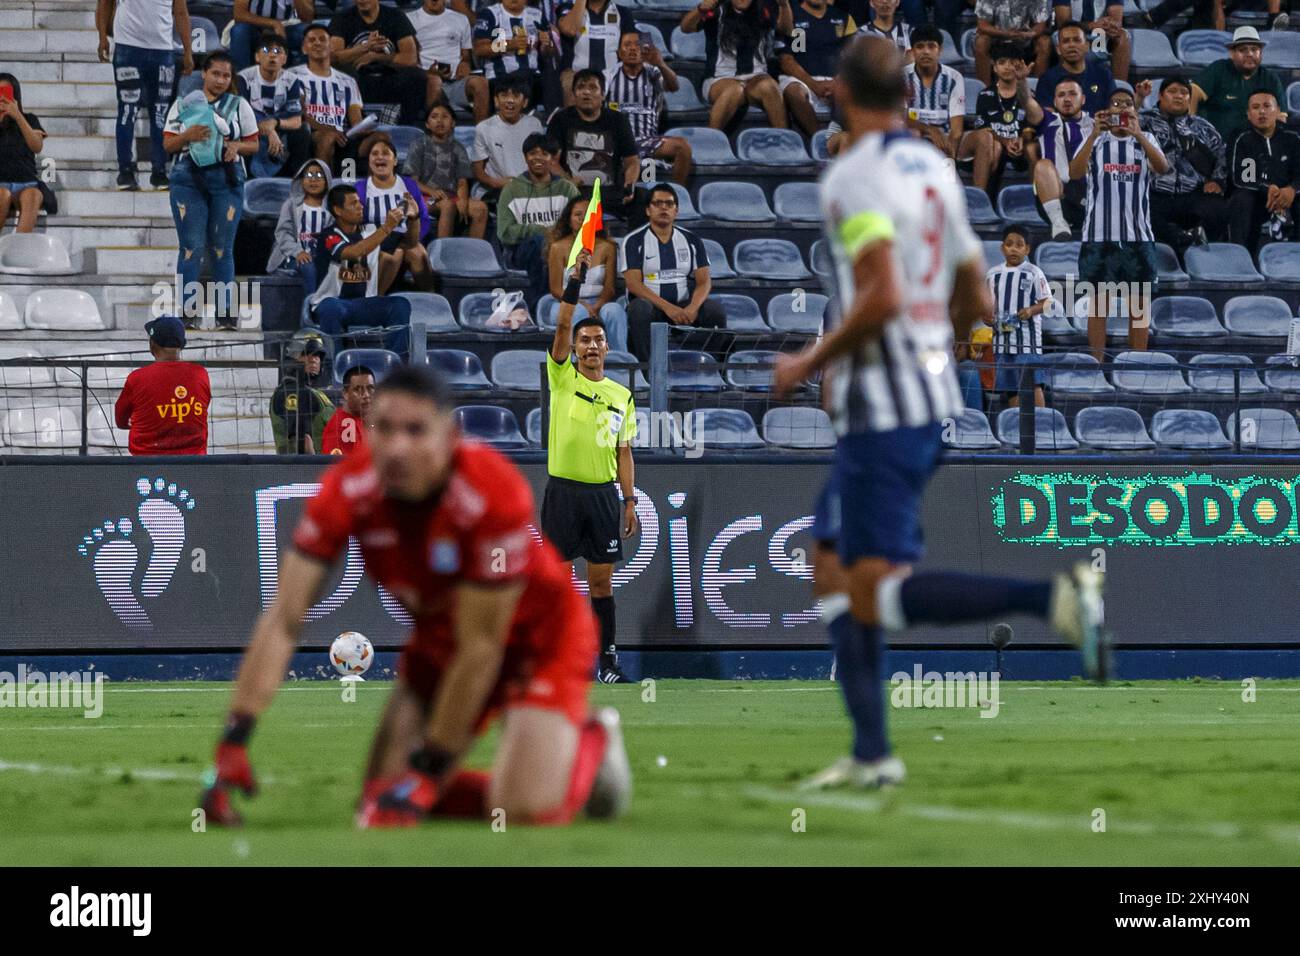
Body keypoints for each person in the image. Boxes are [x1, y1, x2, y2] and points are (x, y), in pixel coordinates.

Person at [772, 37, 1108, 791]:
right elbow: (978, 301)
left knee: (876, 591)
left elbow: (882, 293)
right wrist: (937, 340)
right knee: (831, 568)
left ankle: (1049, 597)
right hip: (929, 398)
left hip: (882, 411)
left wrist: (808, 361)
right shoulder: (934, 168)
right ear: (904, 96)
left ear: (838, 94)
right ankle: (870, 755)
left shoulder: (852, 178)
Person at [199, 363, 632, 829]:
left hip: (538, 643)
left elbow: (483, 648)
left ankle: (591, 741)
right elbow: (285, 617)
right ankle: (490, 778)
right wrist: (234, 737)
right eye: (384, 429)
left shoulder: (490, 489)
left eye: (415, 430)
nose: (397, 447)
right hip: (444, 641)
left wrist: (428, 771)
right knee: (379, 801)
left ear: (450, 436)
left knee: (522, 810)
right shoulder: (349, 487)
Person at [542, 249, 639, 683]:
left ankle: (607, 663)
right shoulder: (563, 377)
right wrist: (575, 284)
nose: (592, 345)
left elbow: (624, 452)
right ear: (575, 348)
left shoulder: (623, 395)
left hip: (603, 496)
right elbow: (563, 322)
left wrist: (630, 501)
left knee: (600, 585)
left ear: (607, 346)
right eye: (585, 340)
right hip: (562, 492)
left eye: (598, 340)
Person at [1068, 86, 1169, 361]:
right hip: (1099, 236)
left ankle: (1138, 365)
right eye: (1116, 103)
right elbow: (1074, 172)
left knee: (1138, 306)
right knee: (1098, 306)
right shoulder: (1097, 140)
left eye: (1128, 103)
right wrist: (1093, 134)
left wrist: (1138, 134)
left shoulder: (1146, 138)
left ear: (1135, 110)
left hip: (1138, 236)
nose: (1122, 108)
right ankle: (1096, 365)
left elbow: (1163, 168)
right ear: (1107, 111)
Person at [163, 52, 260, 331]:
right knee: (191, 248)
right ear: (203, 74)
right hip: (188, 178)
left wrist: (236, 147)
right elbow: (168, 145)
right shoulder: (183, 105)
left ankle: (226, 315)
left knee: (221, 249)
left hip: (227, 178)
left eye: (226, 75)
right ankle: (187, 313)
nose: (220, 80)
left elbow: (253, 144)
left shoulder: (239, 105)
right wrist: (186, 137)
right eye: (215, 73)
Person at [621, 182, 727, 362]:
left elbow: (704, 281)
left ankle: (710, 367)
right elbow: (633, 284)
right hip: (652, 306)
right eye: (658, 203)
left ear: (676, 211)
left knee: (714, 311)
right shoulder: (633, 241)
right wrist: (668, 308)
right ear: (648, 210)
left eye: (669, 204)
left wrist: (692, 308)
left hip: (683, 305)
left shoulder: (691, 240)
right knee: (638, 309)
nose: (664, 208)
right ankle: (647, 370)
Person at [97, 0, 193, 191]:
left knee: (159, 114)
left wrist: (188, 50)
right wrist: (102, 37)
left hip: (161, 49)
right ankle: (125, 170)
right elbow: (105, 3)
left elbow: (181, 12)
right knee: (128, 110)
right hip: (129, 47)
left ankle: (158, 171)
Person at [309, 183, 414, 356]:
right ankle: (336, 366)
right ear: (338, 210)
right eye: (354, 204)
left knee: (400, 305)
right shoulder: (329, 235)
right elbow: (354, 253)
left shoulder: (372, 230)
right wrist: (387, 227)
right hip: (334, 302)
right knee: (330, 308)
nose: (360, 206)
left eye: (360, 202)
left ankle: (395, 366)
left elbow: (411, 242)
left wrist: (414, 218)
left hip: (365, 304)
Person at [1140, 76, 1229, 253]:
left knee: (1219, 210)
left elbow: (1221, 154)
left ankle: (1196, 251)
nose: (1179, 96)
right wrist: (1137, 100)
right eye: (1172, 92)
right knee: (1137, 212)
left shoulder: (1202, 126)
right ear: (1160, 96)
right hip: (1154, 192)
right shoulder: (1143, 122)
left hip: (1192, 193)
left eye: (1184, 93)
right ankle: (1183, 239)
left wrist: (1217, 180)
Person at [681, 0, 793, 131]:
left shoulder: (763, 9)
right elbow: (685, 27)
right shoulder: (717, 10)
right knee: (735, 90)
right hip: (718, 78)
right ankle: (710, 141)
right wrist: (701, 9)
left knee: (771, 88)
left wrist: (783, 5)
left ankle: (785, 143)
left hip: (756, 76)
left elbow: (787, 30)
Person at [497, 133, 580, 304]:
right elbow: (504, 233)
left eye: (544, 153)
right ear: (525, 157)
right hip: (522, 251)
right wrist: (539, 229)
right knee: (538, 242)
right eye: (533, 153)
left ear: (552, 158)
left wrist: (555, 236)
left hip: (562, 248)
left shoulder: (567, 189)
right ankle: (543, 302)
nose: (538, 158)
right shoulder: (511, 190)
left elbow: (583, 222)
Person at [605, 30, 692, 187]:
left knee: (682, 147)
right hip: (617, 142)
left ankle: (679, 195)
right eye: (627, 45)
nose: (632, 49)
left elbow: (673, 86)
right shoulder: (609, 74)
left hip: (648, 142)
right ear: (619, 52)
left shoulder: (654, 72)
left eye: (637, 45)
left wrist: (660, 63)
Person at [547, 69, 639, 216]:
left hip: (609, 193)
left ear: (603, 95)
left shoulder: (618, 120)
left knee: (646, 199)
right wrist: (568, 182)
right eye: (581, 87)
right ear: (574, 94)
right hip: (573, 193)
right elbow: (551, 161)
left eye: (592, 87)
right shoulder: (560, 120)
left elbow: (632, 161)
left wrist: (629, 185)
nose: (586, 92)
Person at [114, 316, 211, 455]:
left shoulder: (137, 378)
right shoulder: (200, 374)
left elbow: (120, 420)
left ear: (152, 344)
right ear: (182, 344)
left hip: (147, 464)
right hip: (193, 465)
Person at [545, 195, 628, 351]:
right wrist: (582, 304)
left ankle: (620, 363)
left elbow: (609, 288)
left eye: (589, 215)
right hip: (566, 302)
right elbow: (556, 289)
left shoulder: (608, 247)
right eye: (578, 215)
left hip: (599, 302)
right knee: (578, 311)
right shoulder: (557, 247)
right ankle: (578, 363)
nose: (583, 219)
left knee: (614, 311)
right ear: (569, 219)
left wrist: (596, 307)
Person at [355, 132, 436, 293]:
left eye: (386, 153)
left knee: (418, 252)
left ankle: (431, 301)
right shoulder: (360, 188)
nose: (380, 157)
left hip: (406, 240)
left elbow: (424, 220)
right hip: (373, 243)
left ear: (395, 161)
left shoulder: (409, 185)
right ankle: (371, 301)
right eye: (375, 154)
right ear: (370, 161)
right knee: (394, 254)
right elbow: (354, 224)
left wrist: (410, 239)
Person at [329, 0, 427, 126]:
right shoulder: (342, 18)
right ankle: (356, 125)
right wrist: (364, 48)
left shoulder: (396, 16)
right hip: (358, 82)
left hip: (389, 80)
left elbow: (411, 58)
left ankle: (404, 127)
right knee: (339, 75)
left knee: (417, 76)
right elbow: (333, 57)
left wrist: (375, 57)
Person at [986, 225, 1052, 407]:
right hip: (1001, 343)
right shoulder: (993, 274)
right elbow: (987, 307)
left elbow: (1048, 302)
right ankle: (1014, 428)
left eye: (1019, 245)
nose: (1013, 249)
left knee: (1032, 384)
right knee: (1011, 387)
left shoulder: (1034, 272)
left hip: (1027, 343)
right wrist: (987, 318)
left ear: (1027, 249)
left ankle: (1042, 423)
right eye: (1009, 244)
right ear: (1002, 248)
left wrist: (1030, 310)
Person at [1229, 89, 1300, 254]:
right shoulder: (1241, 137)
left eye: (1267, 106)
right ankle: (1242, 257)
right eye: (1255, 107)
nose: (1261, 111)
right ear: (1248, 114)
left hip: (1289, 195)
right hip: (1257, 196)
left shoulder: (1293, 137)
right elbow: (1243, 178)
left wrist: (1292, 189)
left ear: (1277, 111)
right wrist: (1268, 189)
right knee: (1242, 199)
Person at [1192, 27, 1288, 147]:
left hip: (1256, 146)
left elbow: (1280, 117)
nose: (1250, 54)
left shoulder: (1270, 78)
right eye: (1243, 50)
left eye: (1254, 50)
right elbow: (1193, 94)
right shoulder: (1218, 69)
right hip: (1217, 146)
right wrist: (1189, 129)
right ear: (1232, 54)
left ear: (1261, 53)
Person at [404, 102, 488, 240]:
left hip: (449, 196)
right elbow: (412, 181)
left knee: (481, 208)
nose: (439, 121)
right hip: (423, 197)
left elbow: (462, 181)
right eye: (434, 117)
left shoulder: (458, 148)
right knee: (448, 206)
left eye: (445, 117)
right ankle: (442, 254)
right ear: (427, 124)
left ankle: (472, 254)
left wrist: (462, 201)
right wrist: (432, 192)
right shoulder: (418, 145)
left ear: (453, 123)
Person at [1024, 77, 1094, 239]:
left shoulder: (1096, 124)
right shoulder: (1046, 121)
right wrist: (1021, 81)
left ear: (1082, 99)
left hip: (1091, 197)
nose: (1067, 99)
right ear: (1055, 102)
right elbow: (1026, 101)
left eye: (1072, 94)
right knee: (1042, 166)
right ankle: (1058, 223)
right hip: (1057, 198)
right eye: (1061, 95)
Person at [289, 23, 365, 171]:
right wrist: (329, 130)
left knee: (381, 139)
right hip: (312, 133)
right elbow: (300, 114)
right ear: (304, 49)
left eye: (322, 39)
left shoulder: (348, 81)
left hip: (342, 135)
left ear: (331, 47)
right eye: (311, 40)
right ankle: (323, 190)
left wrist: (364, 129)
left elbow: (356, 120)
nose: (317, 43)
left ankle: (353, 186)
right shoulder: (293, 76)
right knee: (327, 137)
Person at [776, 0, 855, 138]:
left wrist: (836, 82)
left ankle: (846, 143)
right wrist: (813, 84)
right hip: (802, 80)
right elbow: (787, 61)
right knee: (793, 91)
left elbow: (853, 58)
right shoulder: (791, 17)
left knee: (852, 91)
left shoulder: (843, 18)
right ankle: (819, 139)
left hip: (835, 80)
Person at [238, 33, 311, 178]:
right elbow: (241, 117)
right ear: (257, 57)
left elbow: (296, 121)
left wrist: (274, 124)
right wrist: (270, 130)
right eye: (266, 50)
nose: (272, 55)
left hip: (278, 129)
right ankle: (244, 180)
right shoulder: (244, 78)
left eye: (278, 51)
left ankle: (297, 180)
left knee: (303, 130)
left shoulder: (291, 80)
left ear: (284, 59)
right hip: (250, 128)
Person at [965, 45, 1034, 195]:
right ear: (994, 67)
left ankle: (1037, 202)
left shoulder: (1029, 96)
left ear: (1020, 65)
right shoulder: (985, 95)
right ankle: (987, 200)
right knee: (995, 147)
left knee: (1032, 146)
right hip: (996, 146)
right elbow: (983, 129)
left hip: (1021, 148)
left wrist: (1022, 139)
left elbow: (1032, 126)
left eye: (1012, 63)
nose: (1008, 67)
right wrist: (1005, 141)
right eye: (1002, 62)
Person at [472, 0, 556, 118]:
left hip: (533, 76)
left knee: (553, 75)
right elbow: (480, 49)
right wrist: (509, 45)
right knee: (523, 75)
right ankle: (527, 115)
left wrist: (546, 44)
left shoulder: (537, 15)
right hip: (500, 77)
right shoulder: (490, 14)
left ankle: (553, 118)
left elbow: (550, 52)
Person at [470, 74, 544, 201]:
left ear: (525, 102)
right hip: (497, 190)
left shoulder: (534, 124)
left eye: (515, 96)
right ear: (496, 101)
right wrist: (496, 183)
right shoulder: (483, 128)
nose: (510, 100)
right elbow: (478, 171)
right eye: (504, 95)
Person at [409, 0, 485, 119]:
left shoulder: (461, 19)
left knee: (481, 83)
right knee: (435, 81)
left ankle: (482, 134)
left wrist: (465, 63)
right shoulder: (409, 19)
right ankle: (432, 133)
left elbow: (465, 55)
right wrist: (428, 73)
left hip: (456, 81)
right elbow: (408, 60)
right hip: (426, 81)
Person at [268, 159, 334, 296]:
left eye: (319, 175)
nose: (313, 180)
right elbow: (283, 233)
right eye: (309, 175)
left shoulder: (332, 208)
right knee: (309, 267)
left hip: (321, 256)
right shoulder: (291, 205)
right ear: (301, 180)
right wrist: (298, 252)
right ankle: (310, 307)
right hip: (292, 256)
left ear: (327, 180)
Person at [904, 26, 966, 162]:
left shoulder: (954, 78)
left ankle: (977, 184)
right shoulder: (901, 77)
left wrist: (949, 151)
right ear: (912, 51)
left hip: (946, 138)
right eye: (920, 47)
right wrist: (929, 130)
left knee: (984, 139)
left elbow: (956, 129)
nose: (926, 52)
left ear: (940, 50)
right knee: (913, 133)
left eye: (931, 46)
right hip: (914, 135)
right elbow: (899, 118)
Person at [557, 0, 637, 105]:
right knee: (570, 82)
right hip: (575, 76)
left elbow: (636, 41)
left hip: (611, 77)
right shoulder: (568, 7)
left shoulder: (623, 12)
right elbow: (570, 29)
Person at [1034, 20, 1120, 117]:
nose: (1071, 45)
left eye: (1077, 40)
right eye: (1066, 41)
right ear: (1058, 49)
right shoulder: (1047, 79)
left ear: (1087, 46)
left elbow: (1115, 111)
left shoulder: (1104, 76)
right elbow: (1046, 119)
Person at [270, 333, 334, 454]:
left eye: (317, 355)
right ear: (294, 358)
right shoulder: (292, 392)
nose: (313, 359)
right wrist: (309, 469)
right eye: (306, 353)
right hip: (310, 468)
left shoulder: (311, 392)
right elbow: (300, 440)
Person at [0, 75, 47, 233]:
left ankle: (18, 247)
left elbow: (37, 146)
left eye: (5, 93)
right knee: (2, 194)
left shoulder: (29, 119)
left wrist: (18, 116)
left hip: (26, 184)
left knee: (32, 195)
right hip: (0, 185)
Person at [973, 0, 1051, 83]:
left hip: (1025, 41)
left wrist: (1028, 34)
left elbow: (1041, 25)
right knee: (981, 42)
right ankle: (984, 90)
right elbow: (982, 26)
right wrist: (1007, 34)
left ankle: (1039, 88)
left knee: (1045, 42)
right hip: (997, 41)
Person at [228, 0, 315, 74]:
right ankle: (240, 82)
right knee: (239, 30)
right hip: (254, 26)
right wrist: (273, 24)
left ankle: (303, 83)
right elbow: (239, 14)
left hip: (286, 27)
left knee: (309, 33)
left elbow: (307, 18)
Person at [1052, 1, 1129, 84]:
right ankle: (1068, 85)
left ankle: (1119, 90)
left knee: (1122, 35)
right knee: (1063, 35)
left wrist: (1110, 26)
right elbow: (1063, 23)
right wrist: (1091, 25)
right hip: (1074, 31)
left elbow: (1116, 21)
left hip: (1100, 34)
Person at [321, 364, 375, 456]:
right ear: (345, 393)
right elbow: (338, 467)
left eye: (370, 388)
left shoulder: (367, 418)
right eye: (358, 390)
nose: (366, 395)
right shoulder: (343, 425)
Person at [857, 0, 912, 64]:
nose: (885, 1)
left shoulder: (910, 31)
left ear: (897, 2)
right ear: (871, 2)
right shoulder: (861, 34)